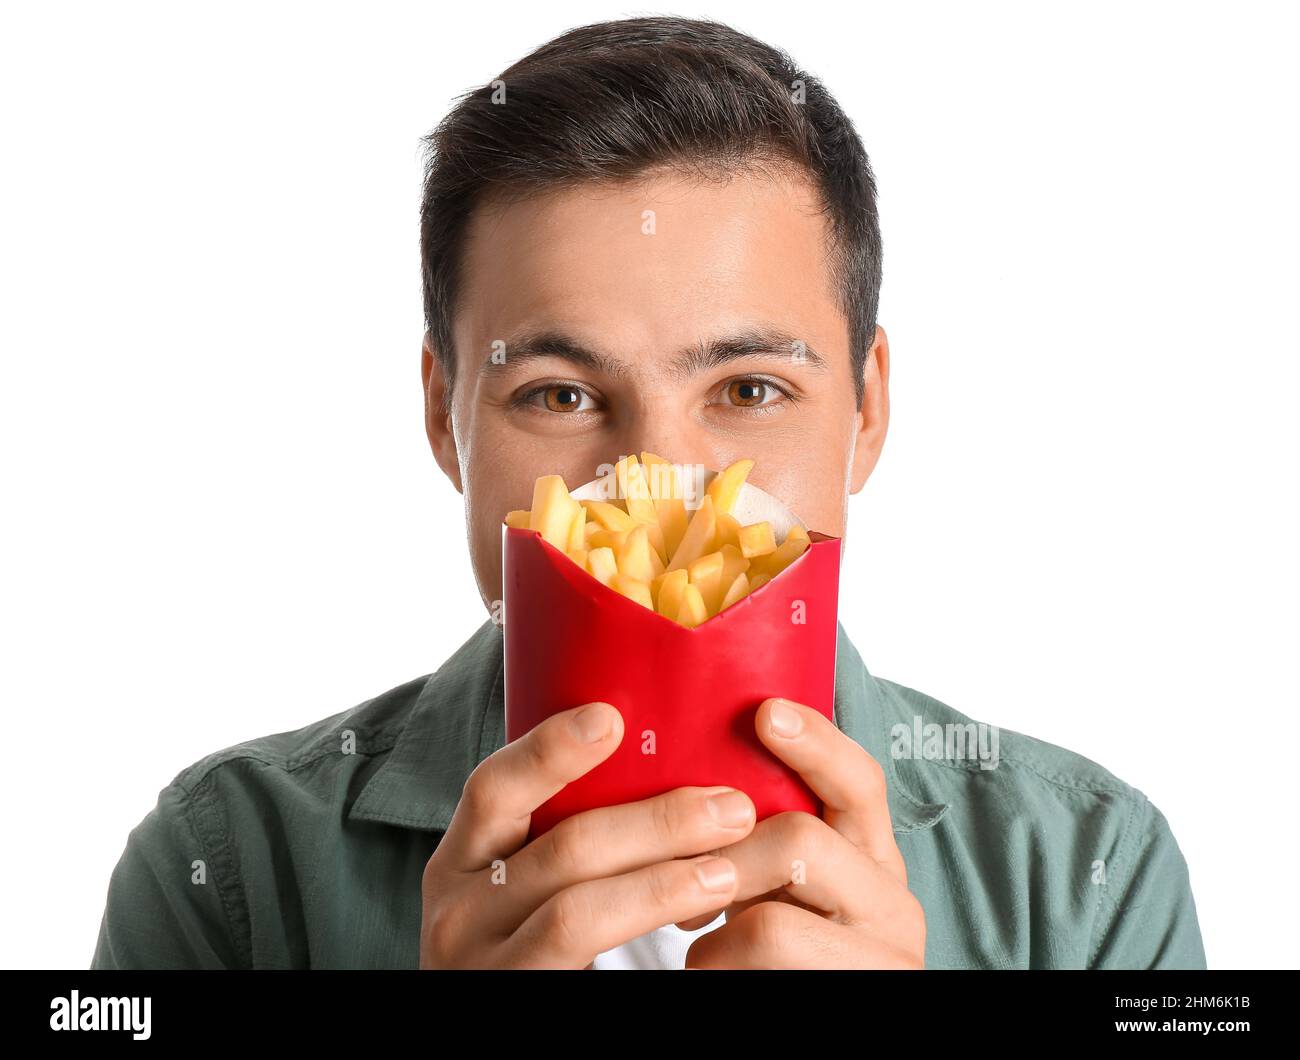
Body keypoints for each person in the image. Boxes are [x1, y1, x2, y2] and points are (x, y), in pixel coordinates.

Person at [90, 15, 1206, 970]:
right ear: (446, 419)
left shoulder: (1092, 882)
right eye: (561, 395)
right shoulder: (222, 871)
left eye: (751, 388)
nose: (655, 488)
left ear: (865, 410)